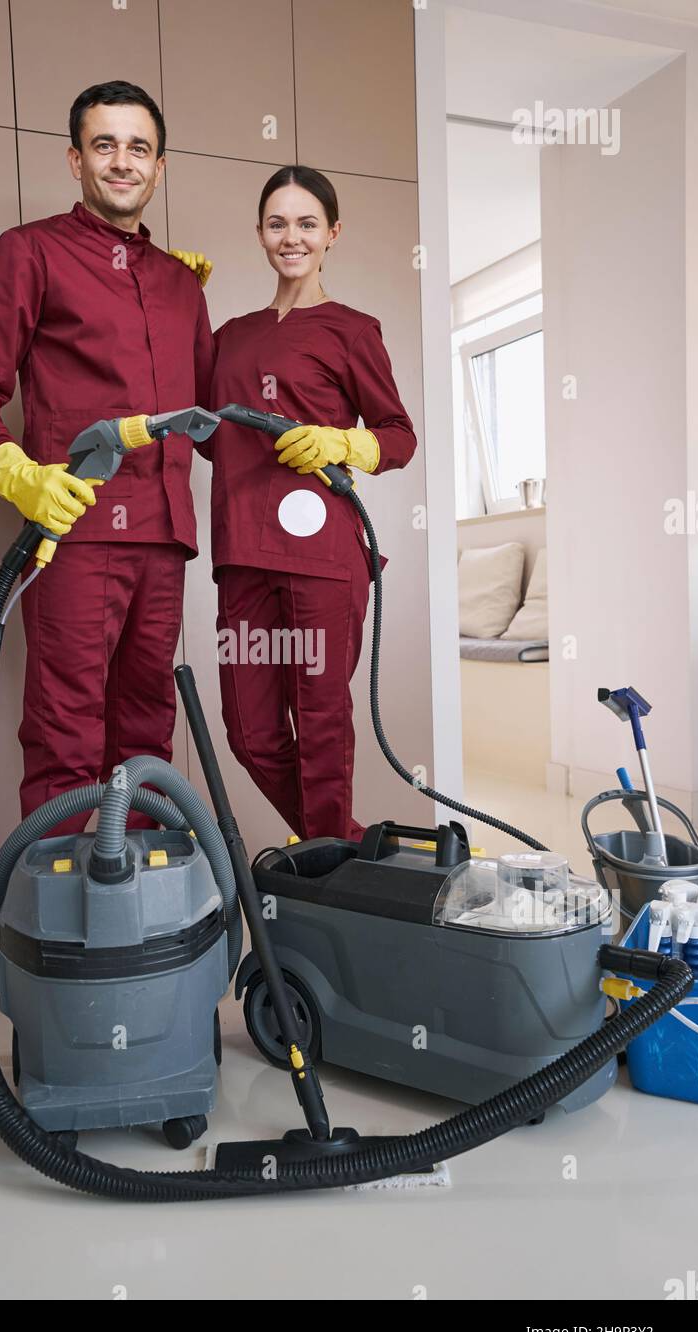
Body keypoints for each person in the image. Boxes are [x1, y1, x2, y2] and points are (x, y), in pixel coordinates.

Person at [0, 80, 214, 833]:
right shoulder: (30, 252)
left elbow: (214, 417)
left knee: (148, 738)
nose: (122, 161)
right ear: (75, 160)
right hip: (77, 533)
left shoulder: (181, 283)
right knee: (65, 736)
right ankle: (57, 895)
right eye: (104, 145)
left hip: (165, 537)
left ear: (159, 167)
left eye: (138, 148)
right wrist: (18, 475)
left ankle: (145, 896)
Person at [207, 165, 417, 840]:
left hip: (323, 553)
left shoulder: (352, 331)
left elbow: (399, 436)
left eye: (306, 223)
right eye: (277, 224)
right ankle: (342, 849)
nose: (291, 237)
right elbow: (206, 435)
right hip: (242, 552)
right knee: (249, 731)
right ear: (260, 233)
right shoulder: (229, 336)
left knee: (321, 720)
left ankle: (328, 870)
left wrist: (341, 442)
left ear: (332, 233)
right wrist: (175, 298)